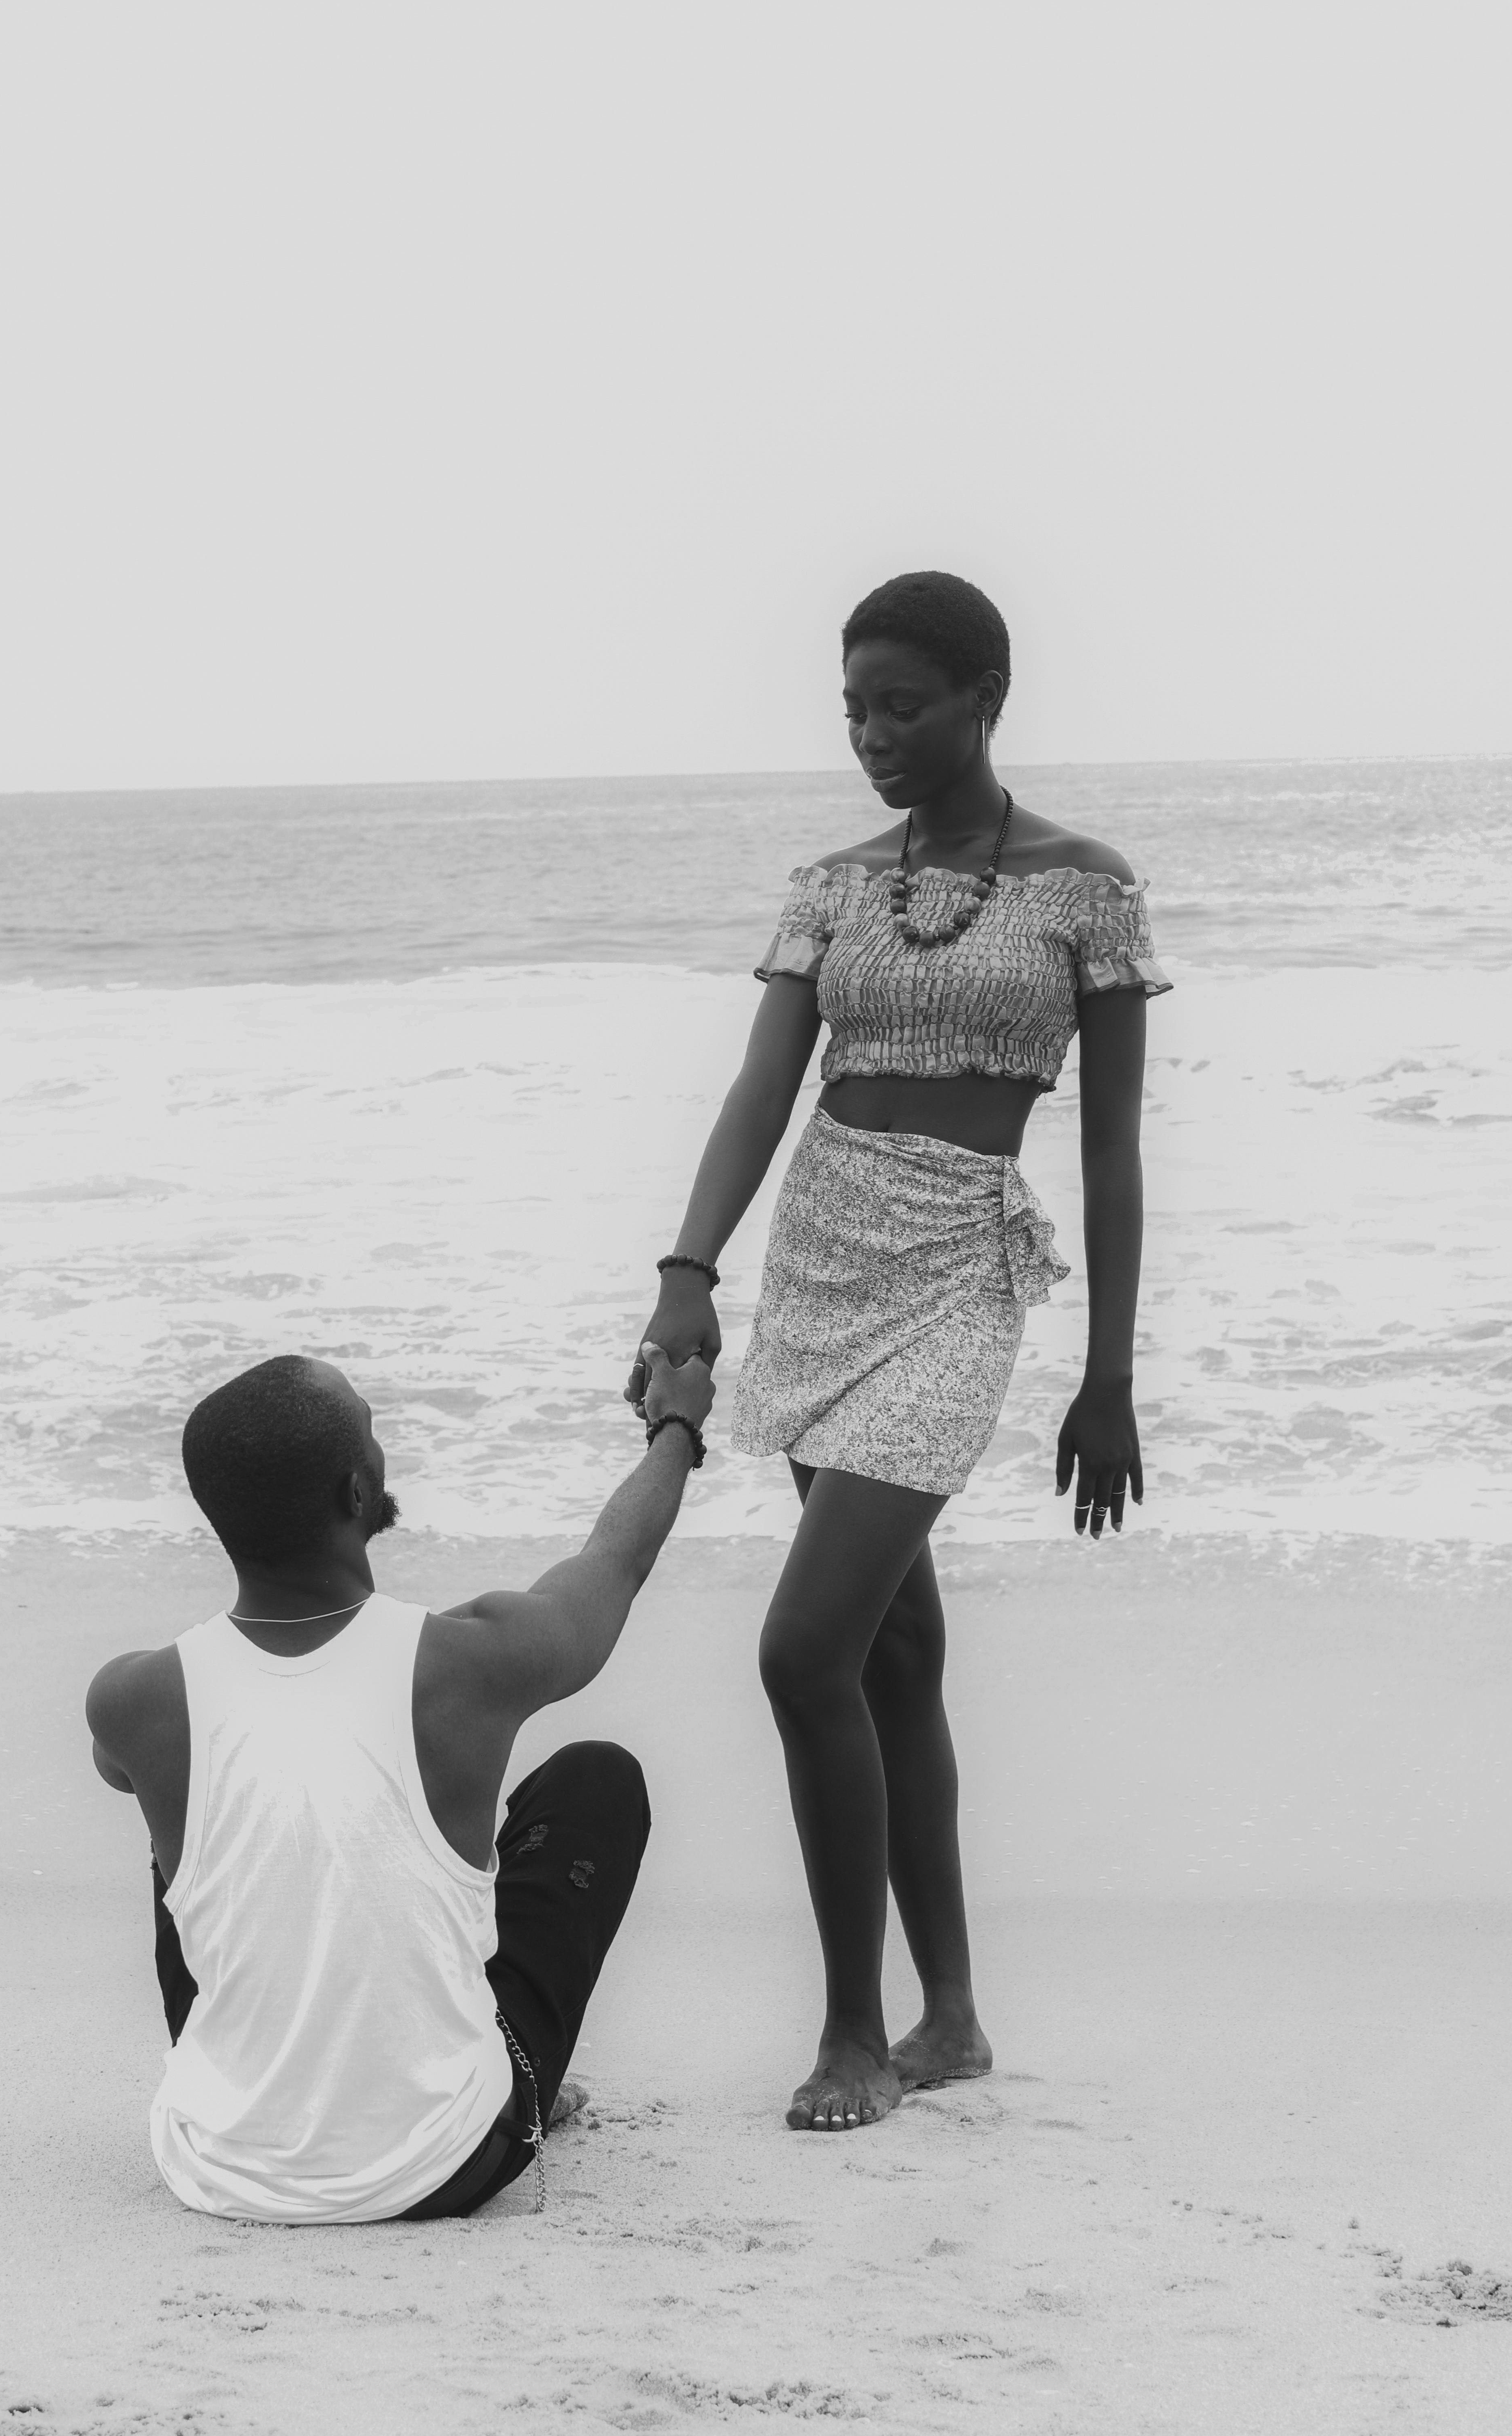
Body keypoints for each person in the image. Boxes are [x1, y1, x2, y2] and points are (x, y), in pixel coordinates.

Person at [627, 569, 1169, 2134]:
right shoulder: (829, 885)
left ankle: (853, 2034)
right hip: (822, 1256)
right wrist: (688, 1273)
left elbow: (1119, 1155)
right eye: (854, 706)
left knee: (803, 1653)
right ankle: (953, 2022)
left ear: (988, 698)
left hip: (958, 1272)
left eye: (903, 705)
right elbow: (759, 1092)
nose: (872, 734)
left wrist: (1110, 1373)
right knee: (895, 1653)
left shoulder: (1086, 889)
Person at [85, 1343, 713, 2222]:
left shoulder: (134, 1699)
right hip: (444, 2164)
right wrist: (676, 1429)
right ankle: (511, 2080)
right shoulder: (467, 1663)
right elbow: (612, 1568)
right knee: (596, 1780)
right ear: (356, 1491)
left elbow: (119, 1776)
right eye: (371, 1434)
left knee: (185, 1817)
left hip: (219, 2162)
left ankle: (273, 2080)